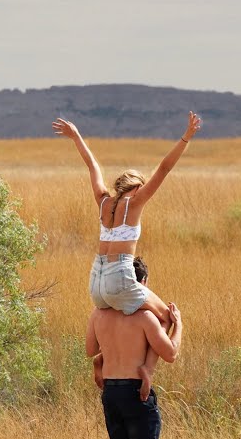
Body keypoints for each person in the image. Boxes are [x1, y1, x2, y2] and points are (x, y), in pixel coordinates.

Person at [53, 111, 200, 399]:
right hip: (119, 276)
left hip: (96, 281)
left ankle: (102, 360)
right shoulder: (136, 201)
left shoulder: (103, 201)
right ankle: (147, 372)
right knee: (168, 317)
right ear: (136, 187)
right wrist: (187, 137)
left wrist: (76, 136)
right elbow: (165, 168)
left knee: (119, 320)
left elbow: (92, 166)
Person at [86, 257, 183, 439]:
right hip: (136, 392)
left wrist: (103, 358)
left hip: (111, 392)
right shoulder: (146, 318)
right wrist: (179, 324)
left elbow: (91, 350)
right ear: (143, 284)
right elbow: (170, 354)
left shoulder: (99, 314)